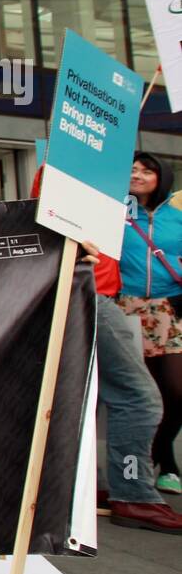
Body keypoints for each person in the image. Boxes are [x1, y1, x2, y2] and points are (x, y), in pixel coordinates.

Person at [31, 168, 181, 533]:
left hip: (100, 295)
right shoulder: (71, 166)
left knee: (85, 399)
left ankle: (95, 487)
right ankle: (133, 494)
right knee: (139, 397)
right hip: (88, 293)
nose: (135, 172)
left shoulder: (97, 173)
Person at [117, 151, 182, 496]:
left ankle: (163, 454)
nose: (137, 174)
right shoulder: (117, 213)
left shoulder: (177, 217)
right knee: (142, 392)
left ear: (163, 177)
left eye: (146, 170)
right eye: (133, 169)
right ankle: (161, 464)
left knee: (176, 392)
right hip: (126, 307)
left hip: (169, 310)